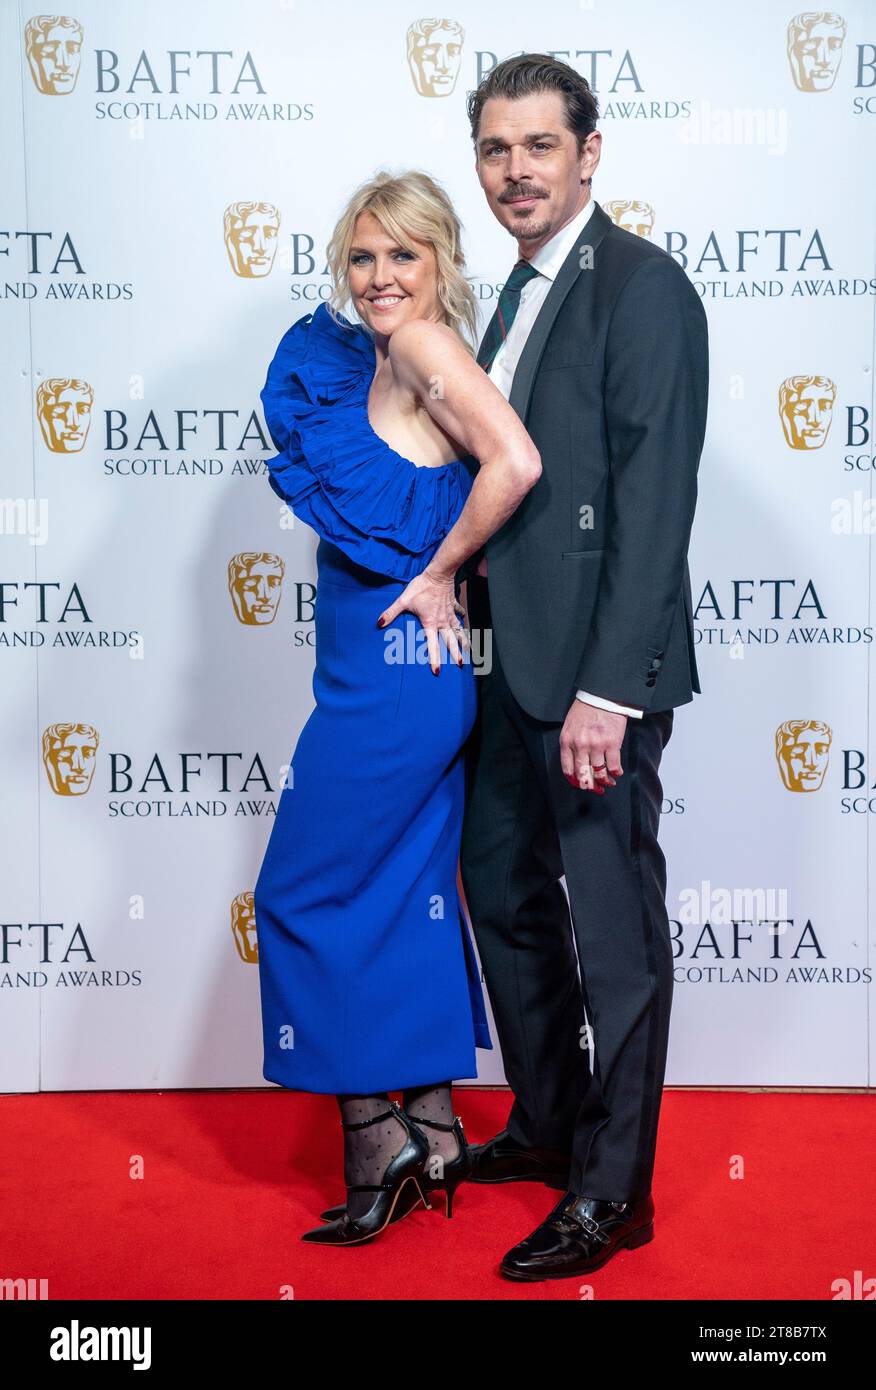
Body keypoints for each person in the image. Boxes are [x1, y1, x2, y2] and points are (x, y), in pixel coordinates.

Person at [454, 54, 709, 1281]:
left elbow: (656, 503)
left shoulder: (641, 288)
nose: (517, 170)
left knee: (613, 934)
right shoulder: (508, 297)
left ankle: (617, 1192)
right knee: (500, 893)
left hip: (595, 681)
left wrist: (611, 689)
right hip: (509, 669)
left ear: (589, 152)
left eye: (539, 146)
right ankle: (551, 1122)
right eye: (497, 150)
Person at [253, 169, 542, 1245]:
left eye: (402, 256)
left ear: (439, 263)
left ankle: (378, 1141)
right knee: (399, 894)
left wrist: (442, 568)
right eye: (363, 256)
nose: (379, 277)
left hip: (394, 685)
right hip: (387, 680)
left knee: (303, 894)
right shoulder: (367, 357)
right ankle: (435, 1130)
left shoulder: (425, 348)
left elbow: (515, 460)